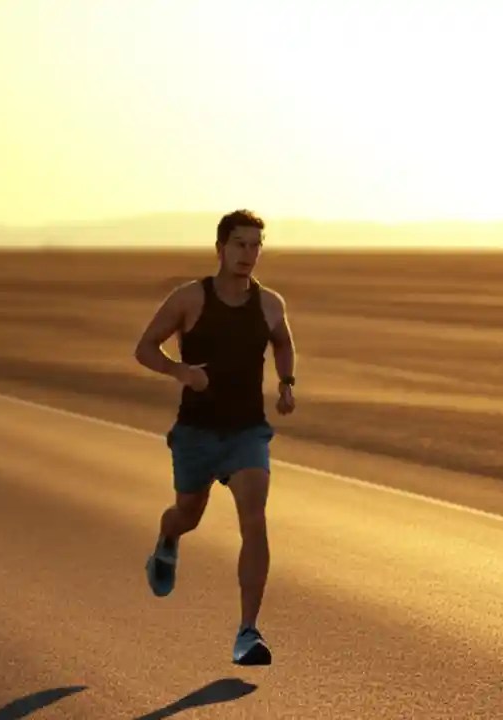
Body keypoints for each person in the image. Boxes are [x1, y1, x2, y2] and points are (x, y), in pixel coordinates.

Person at [132, 209, 297, 666]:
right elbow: (145, 348)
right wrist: (180, 371)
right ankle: (168, 538)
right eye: (240, 244)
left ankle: (248, 633)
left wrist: (287, 383)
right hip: (196, 434)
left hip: (247, 432)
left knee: (254, 516)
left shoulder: (269, 304)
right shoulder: (190, 298)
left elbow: (283, 342)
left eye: (256, 245)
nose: (249, 254)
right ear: (220, 248)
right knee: (189, 512)